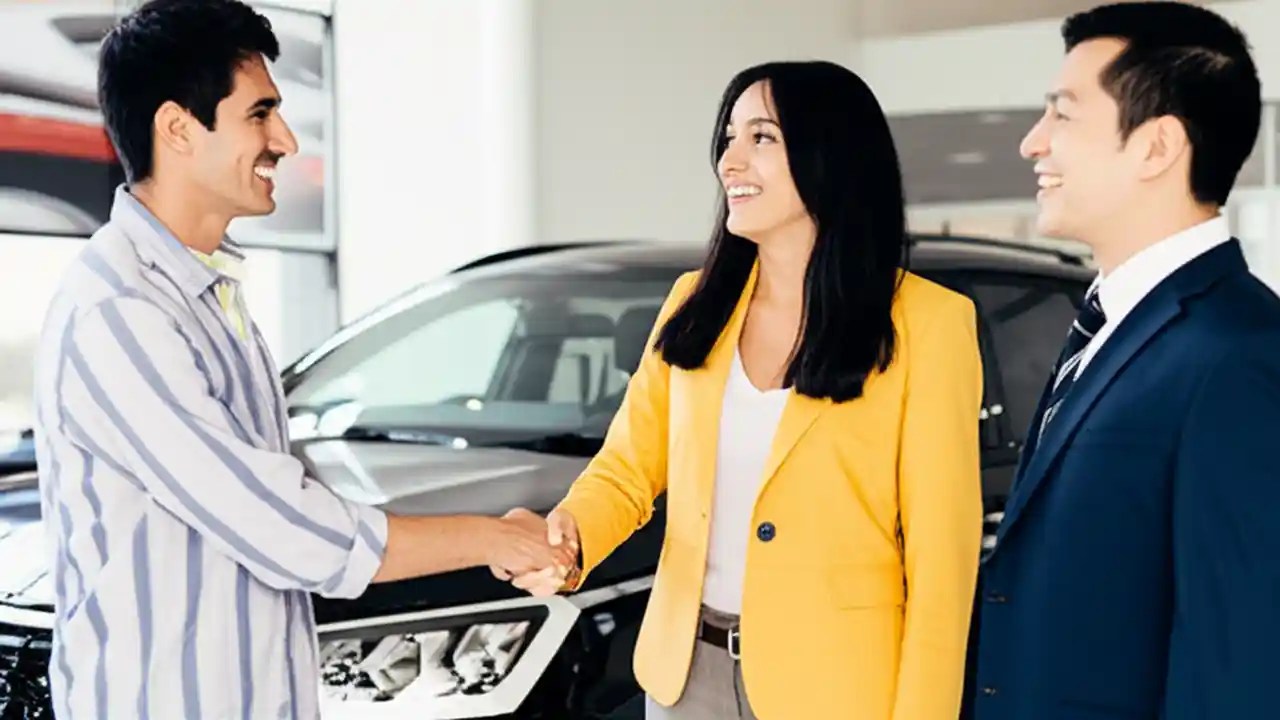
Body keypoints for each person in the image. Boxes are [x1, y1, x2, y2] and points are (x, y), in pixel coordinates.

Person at [30, 2, 570, 718]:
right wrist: (495, 536)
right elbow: (287, 527)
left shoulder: (206, 293)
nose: (284, 139)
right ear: (178, 129)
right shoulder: (121, 311)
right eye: (260, 113)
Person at [504, 60, 985, 719]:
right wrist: (568, 537)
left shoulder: (929, 324)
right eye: (728, 139)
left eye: (761, 138)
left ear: (831, 156)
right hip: (685, 678)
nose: (729, 162)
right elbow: (624, 473)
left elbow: (941, 565)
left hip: (839, 689)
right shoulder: (694, 304)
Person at [962, 3, 1280, 718]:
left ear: (1156, 148)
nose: (1032, 143)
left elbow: (1241, 668)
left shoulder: (1240, 354)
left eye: (1063, 116)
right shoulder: (1108, 323)